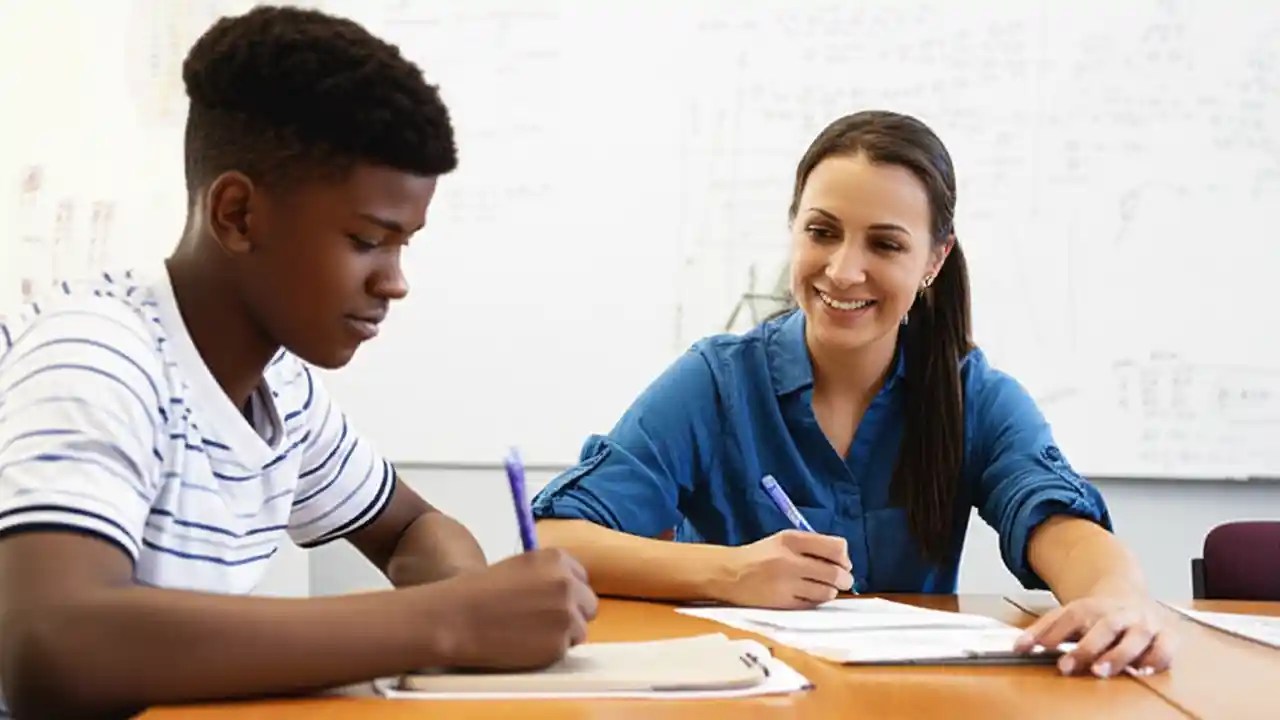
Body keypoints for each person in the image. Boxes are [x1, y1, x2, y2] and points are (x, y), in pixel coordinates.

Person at [0, 6, 596, 718]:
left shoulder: (282, 390)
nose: (395, 280)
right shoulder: (98, 357)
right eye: (369, 239)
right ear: (239, 217)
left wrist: (469, 602)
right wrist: (453, 620)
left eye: (404, 244)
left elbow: (410, 528)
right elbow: (49, 644)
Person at [533, 110, 1173, 678]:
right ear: (793, 230)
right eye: (822, 232)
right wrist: (729, 573)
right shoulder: (717, 383)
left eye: (886, 244)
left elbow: (1057, 520)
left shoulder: (972, 395)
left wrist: (1116, 595)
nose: (842, 270)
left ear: (933, 259)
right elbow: (558, 539)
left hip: (908, 702)